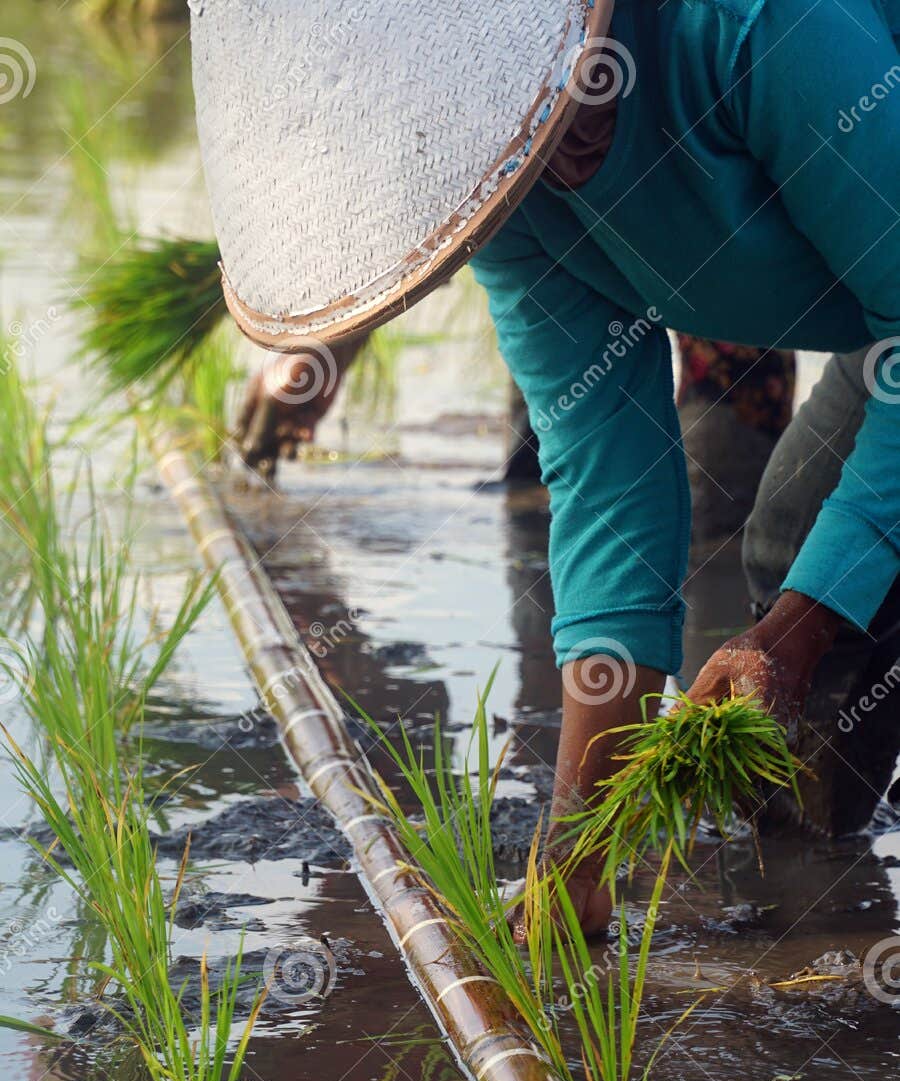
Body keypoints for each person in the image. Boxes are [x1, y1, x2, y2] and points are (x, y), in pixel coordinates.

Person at [191, 0, 900, 933]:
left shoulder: (761, 29)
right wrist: (576, 851)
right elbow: (611, 482)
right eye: (524, 136)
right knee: (793, 557)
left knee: (815, 576)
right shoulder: (515, 194)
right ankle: (819, 914)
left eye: (576, 102)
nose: (565, 154)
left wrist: (798, 629)